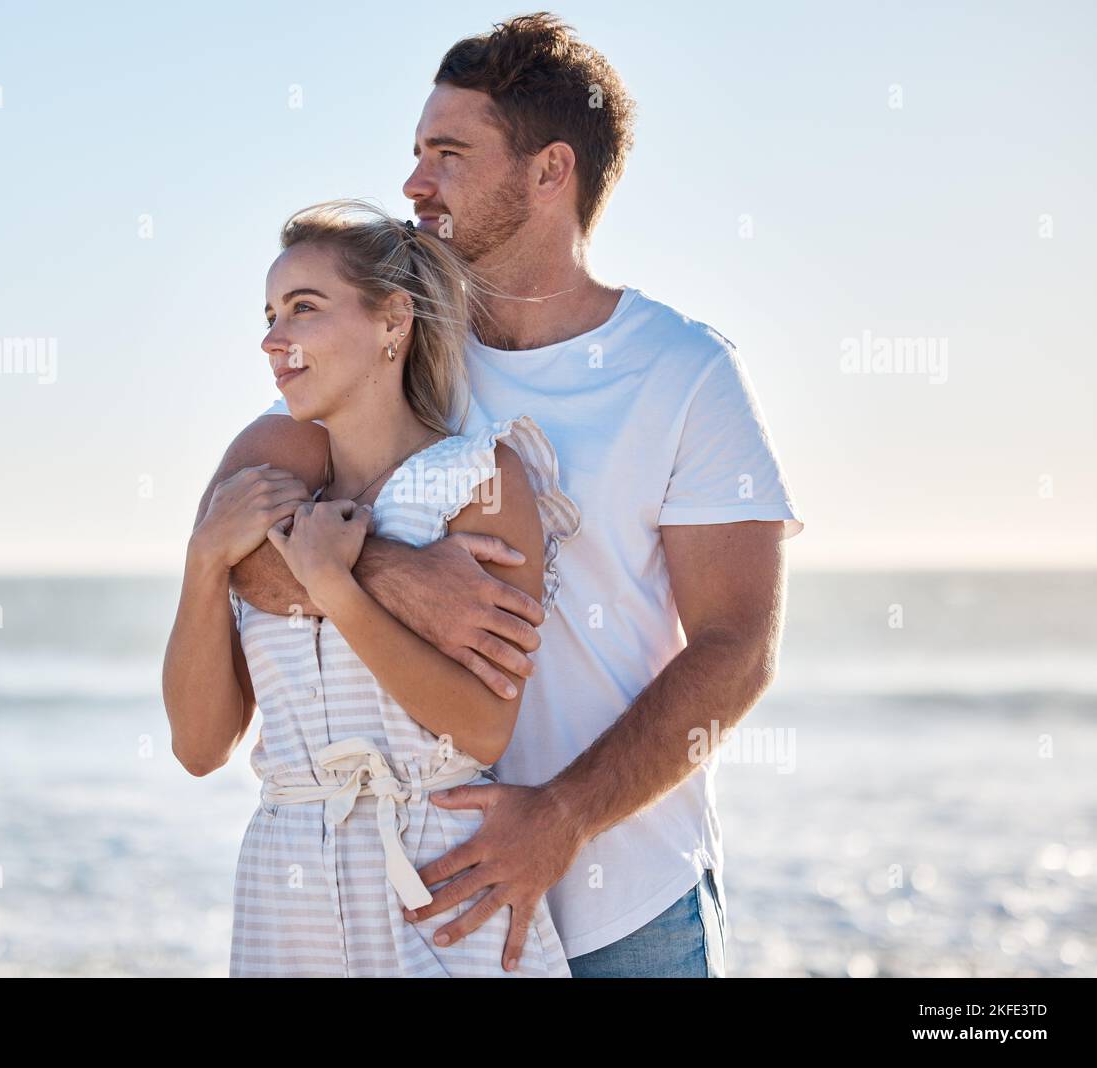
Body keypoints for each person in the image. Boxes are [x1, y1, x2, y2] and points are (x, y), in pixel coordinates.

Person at [196, 13, 805, 978]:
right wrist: (398, 573)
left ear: (549, 172)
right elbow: (258, 544)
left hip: (627, 899)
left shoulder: (684, 372)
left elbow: (738, 650)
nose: (413, 184)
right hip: (429, 907)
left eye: (449, 153)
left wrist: (560, 818)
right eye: (415, 152)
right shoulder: (399, 350)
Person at [163, 198, 579, 976]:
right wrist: (203, 560)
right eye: (269, 314)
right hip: (288, 888)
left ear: (393, 321)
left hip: (438, 883)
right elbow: (197, 747)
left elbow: (482, 731)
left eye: (304, 309)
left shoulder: (481, 478)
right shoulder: (260, 484)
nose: (272, 339)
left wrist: (338, 585)